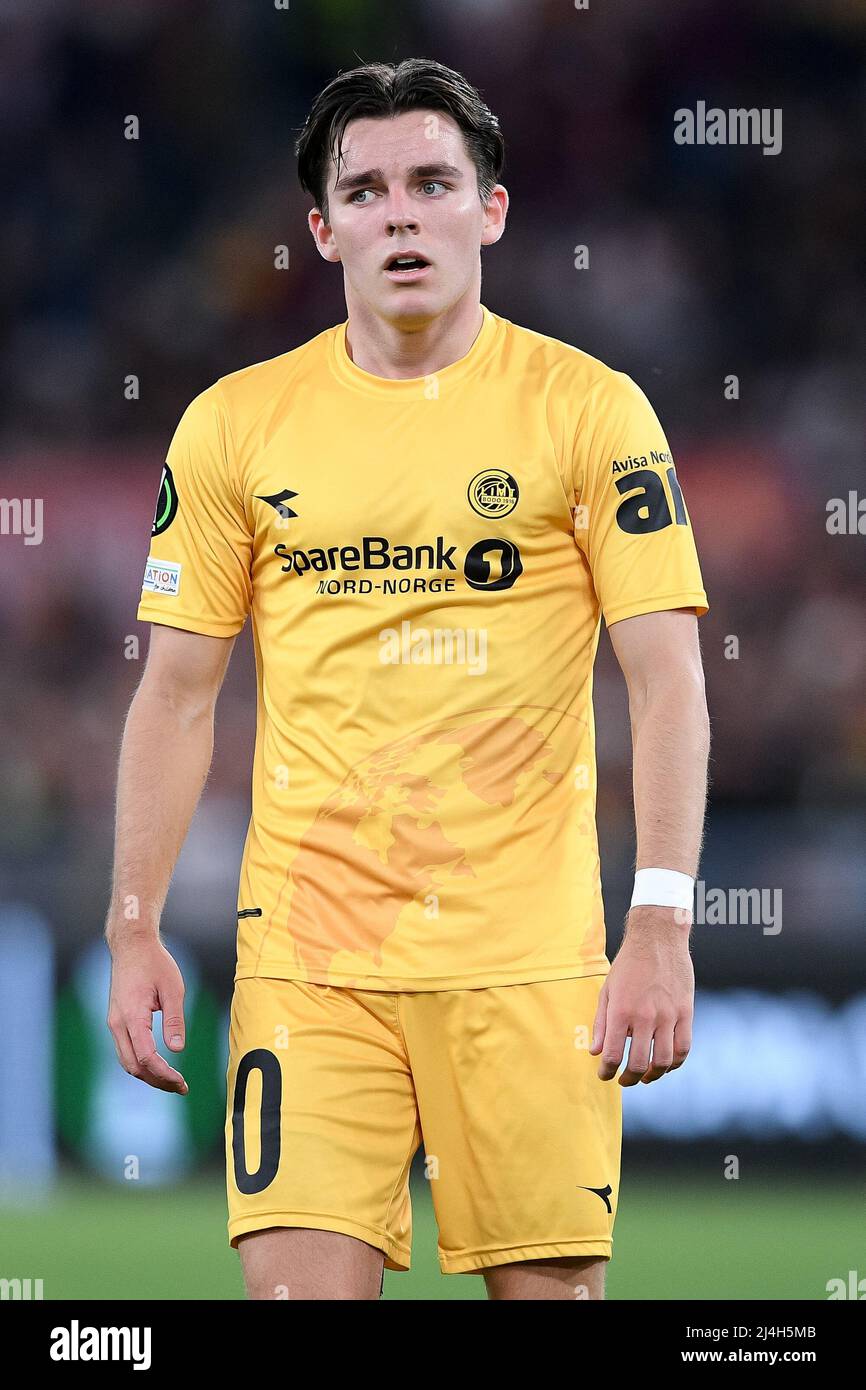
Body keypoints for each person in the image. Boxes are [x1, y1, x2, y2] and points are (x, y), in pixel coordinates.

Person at [105, 58, 710, 1301]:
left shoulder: (590, 412)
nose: (400, 214)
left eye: (432, 182)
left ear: (489, 209)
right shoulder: (233, 426)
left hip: (531, 959)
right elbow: (173, 694)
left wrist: (657, 917)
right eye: (366, 190)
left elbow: (664, 679)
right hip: (307, 960)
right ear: (322, 232)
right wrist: (131, 922)